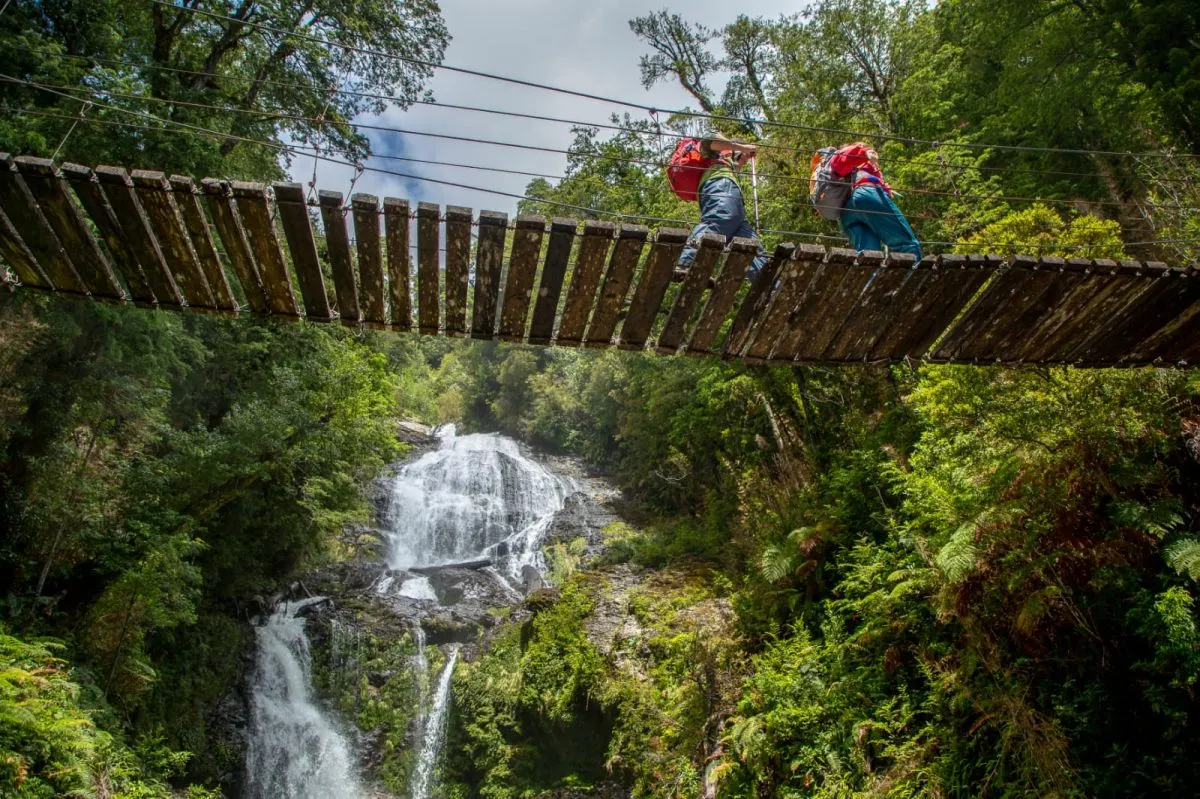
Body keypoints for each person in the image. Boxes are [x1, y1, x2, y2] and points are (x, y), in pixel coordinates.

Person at [674, 136, 771, 279]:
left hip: (729, 196)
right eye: (744, 156)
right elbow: (708, 142)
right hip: (721, 187)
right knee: (720, 218)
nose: (746, 159)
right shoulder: (716, 153)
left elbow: (735, 162)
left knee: (749, 245)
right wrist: (744, 147)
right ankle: (685, 261)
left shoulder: (726, 164)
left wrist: (742, 153)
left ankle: (767, 284)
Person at [825, 142, 921, 259]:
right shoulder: (861, 159)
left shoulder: (849, 171)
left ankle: (869, 271)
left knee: (868, 255)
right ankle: (914, 268)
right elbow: (839, 159)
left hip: (847, 212)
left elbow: (839, 163)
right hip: (867, 195)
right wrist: (864, 152)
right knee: (905, 244)